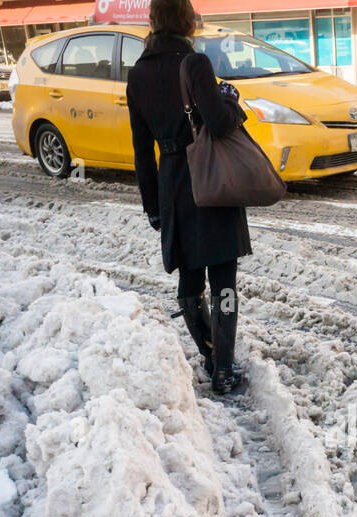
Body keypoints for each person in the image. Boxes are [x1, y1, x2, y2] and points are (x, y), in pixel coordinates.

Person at [127, 0, 251, 394]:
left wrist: (153, 206)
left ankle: (210, 354)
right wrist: (229, 98)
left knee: (190, 279)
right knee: (224, 280)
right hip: (210, 179)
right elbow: (219, 122)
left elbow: (141, 151)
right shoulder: (195, 63)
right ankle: (224, 368)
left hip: (173, 186)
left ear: (153, 23)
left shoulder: (138, 73)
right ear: (187, 23)